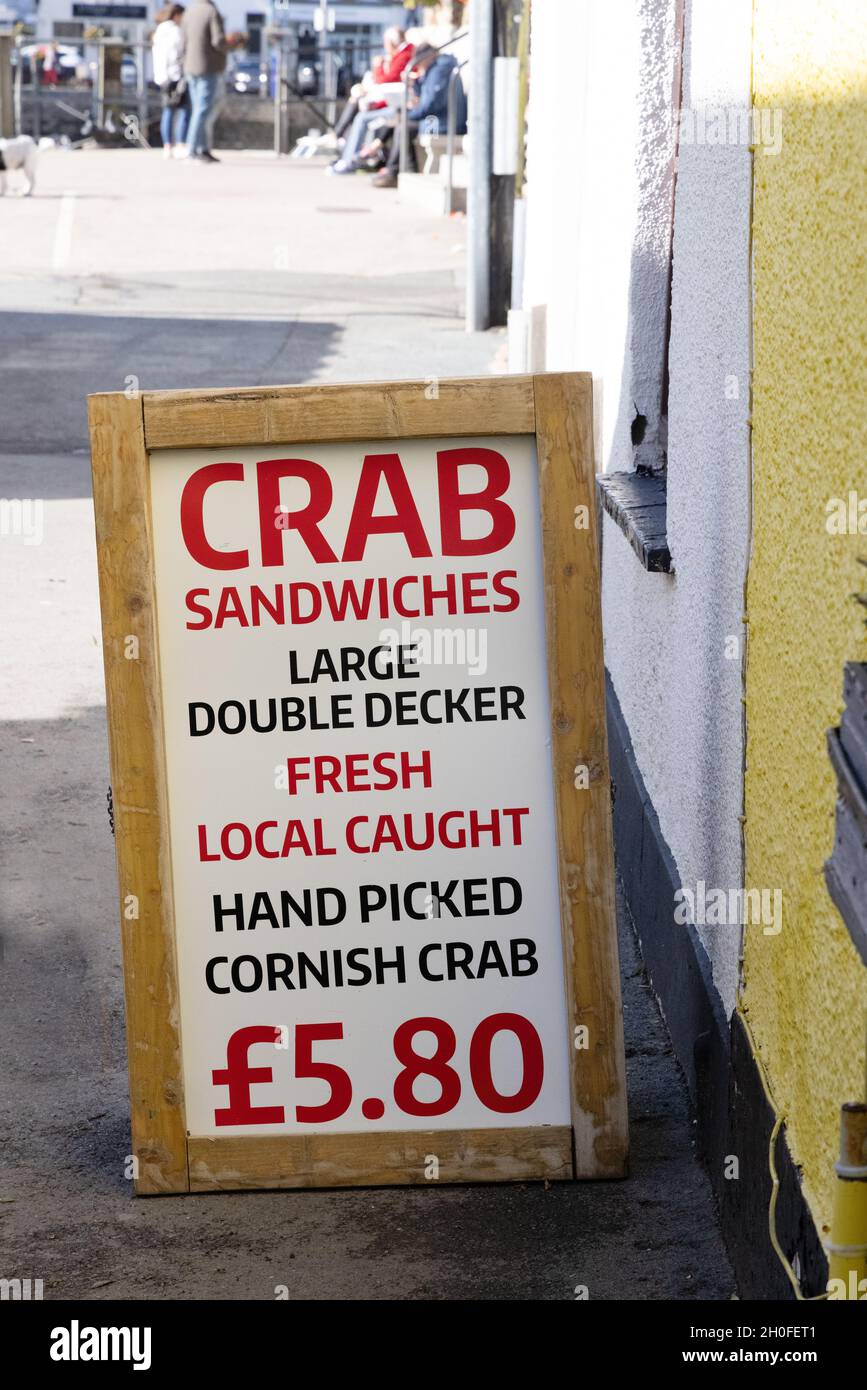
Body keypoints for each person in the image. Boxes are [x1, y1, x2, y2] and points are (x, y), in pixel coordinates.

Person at [373, 42, 466, 189]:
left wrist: (410, 115)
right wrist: (414, 82)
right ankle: (397, 169)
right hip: (436, 118)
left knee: (403, 126)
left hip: (440, 123)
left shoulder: (440, 69)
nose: (419, 65)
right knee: (400, 123)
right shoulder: (435, 69)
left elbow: (431, 105)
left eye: (420, 62)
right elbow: (426, 98)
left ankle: (399, 171)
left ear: (428, 57)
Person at [327, 26, 414, 175]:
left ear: (392, 42)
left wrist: (378, 66)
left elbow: (386, 81)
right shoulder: (401, 55)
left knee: (361, 115)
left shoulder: (404, 55)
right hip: (391, 100)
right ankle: (344, 150)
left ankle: (346, 158)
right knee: (357, 104)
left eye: (386, 42)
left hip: (396, 103)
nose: (385, 47)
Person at [180, 0, 227, 163]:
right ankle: (193, 149)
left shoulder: (189, 12)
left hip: (190, 66)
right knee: (204, 110)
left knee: (198, 110)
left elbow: (183, 42)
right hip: (208, 66)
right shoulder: (212, 12)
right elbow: (218, 40)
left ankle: (202, 148)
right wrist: (229, 48)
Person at [152, 5, 191, 158]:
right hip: (176, 75)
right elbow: (179, 52)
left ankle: (167, 145)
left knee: (167, 110)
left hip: (162, 77)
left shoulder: (159, 31)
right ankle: (181, 143)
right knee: (184, 109)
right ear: (176, 15)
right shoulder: (176, 31)